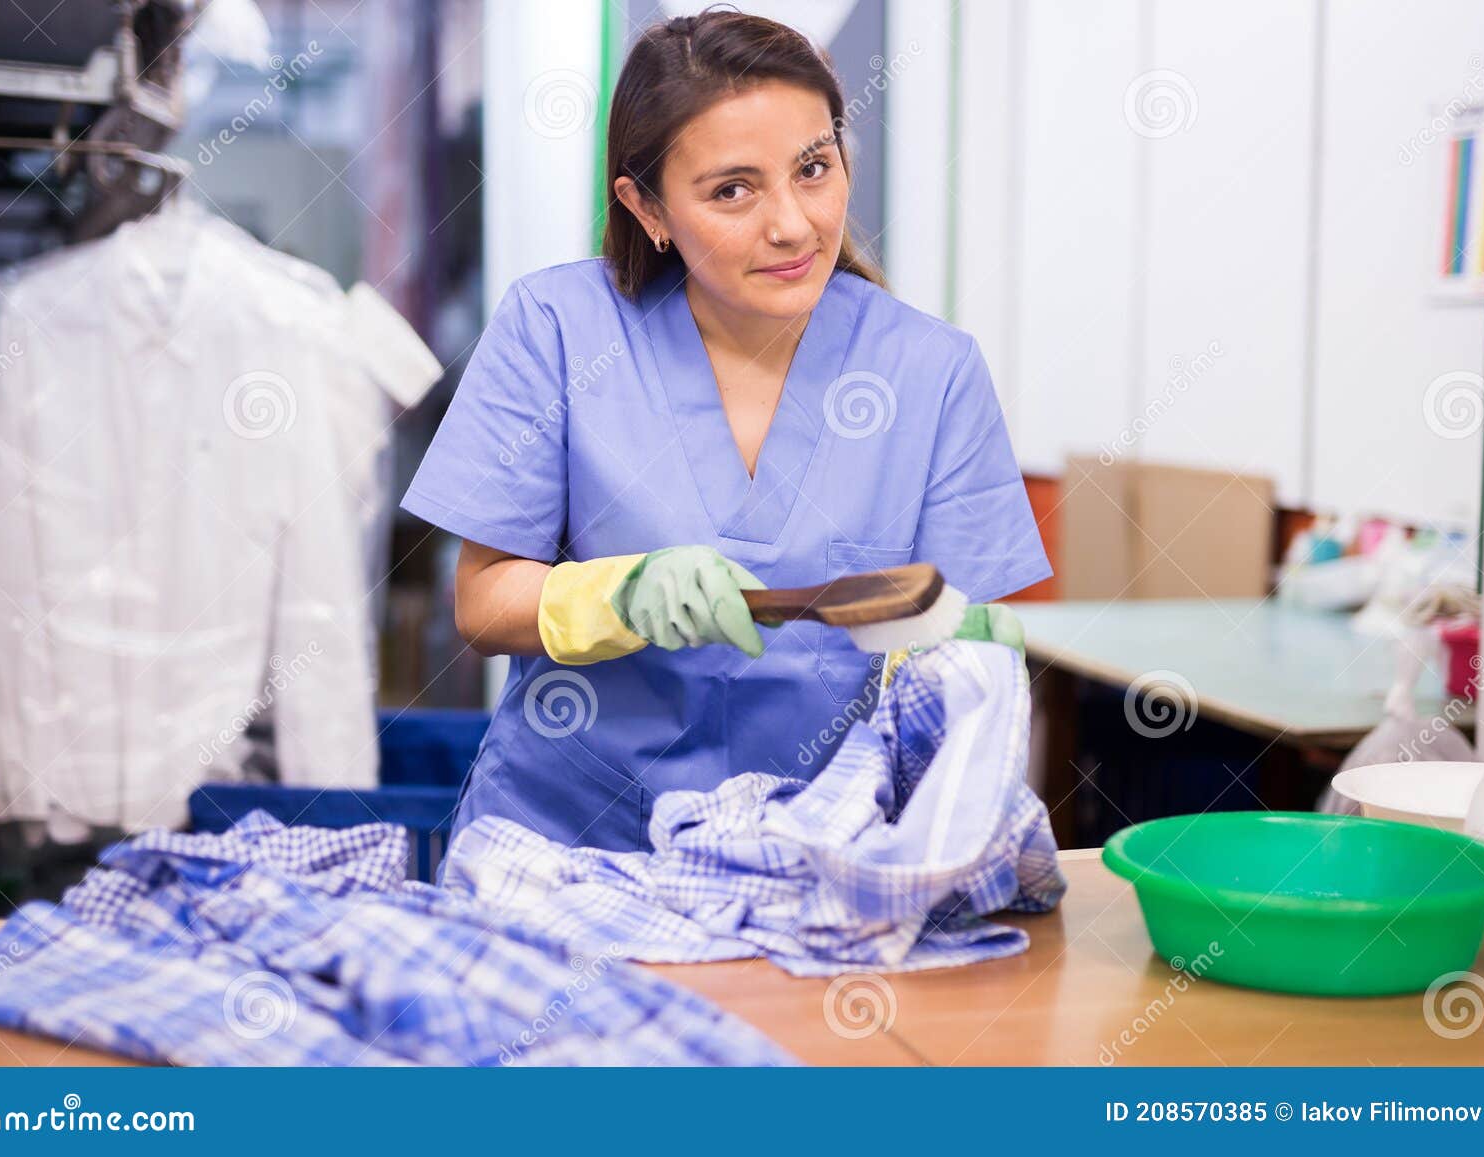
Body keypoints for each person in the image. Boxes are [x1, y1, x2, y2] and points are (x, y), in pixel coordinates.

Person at [402, 9, 1050, 853]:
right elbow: (482, 603)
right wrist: (617, 595)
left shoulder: (932, 371)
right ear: (647, 206)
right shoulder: (557, 329)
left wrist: (966, 664)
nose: (792, 224)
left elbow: (954, 643)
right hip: (573, 841)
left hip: (824, 846)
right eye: (732, 190)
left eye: (814, 168)